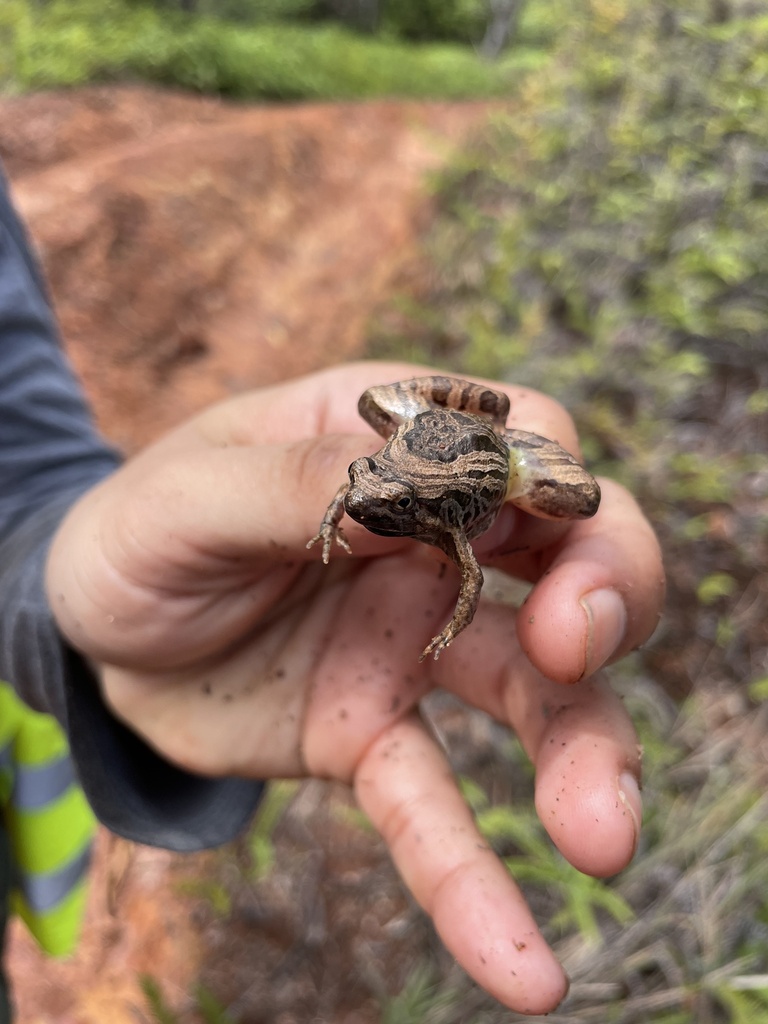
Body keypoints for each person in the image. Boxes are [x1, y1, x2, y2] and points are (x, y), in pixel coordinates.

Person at [0, 164, 664, 1017]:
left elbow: (464, 573)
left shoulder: (454, 525)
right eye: (370, 486)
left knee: (572, 501)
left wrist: (56, 593)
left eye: (388, 494)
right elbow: (374, 492)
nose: (368, 499)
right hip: (426, 467)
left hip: (487, 466)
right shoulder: (375, 488)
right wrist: (336, 507)